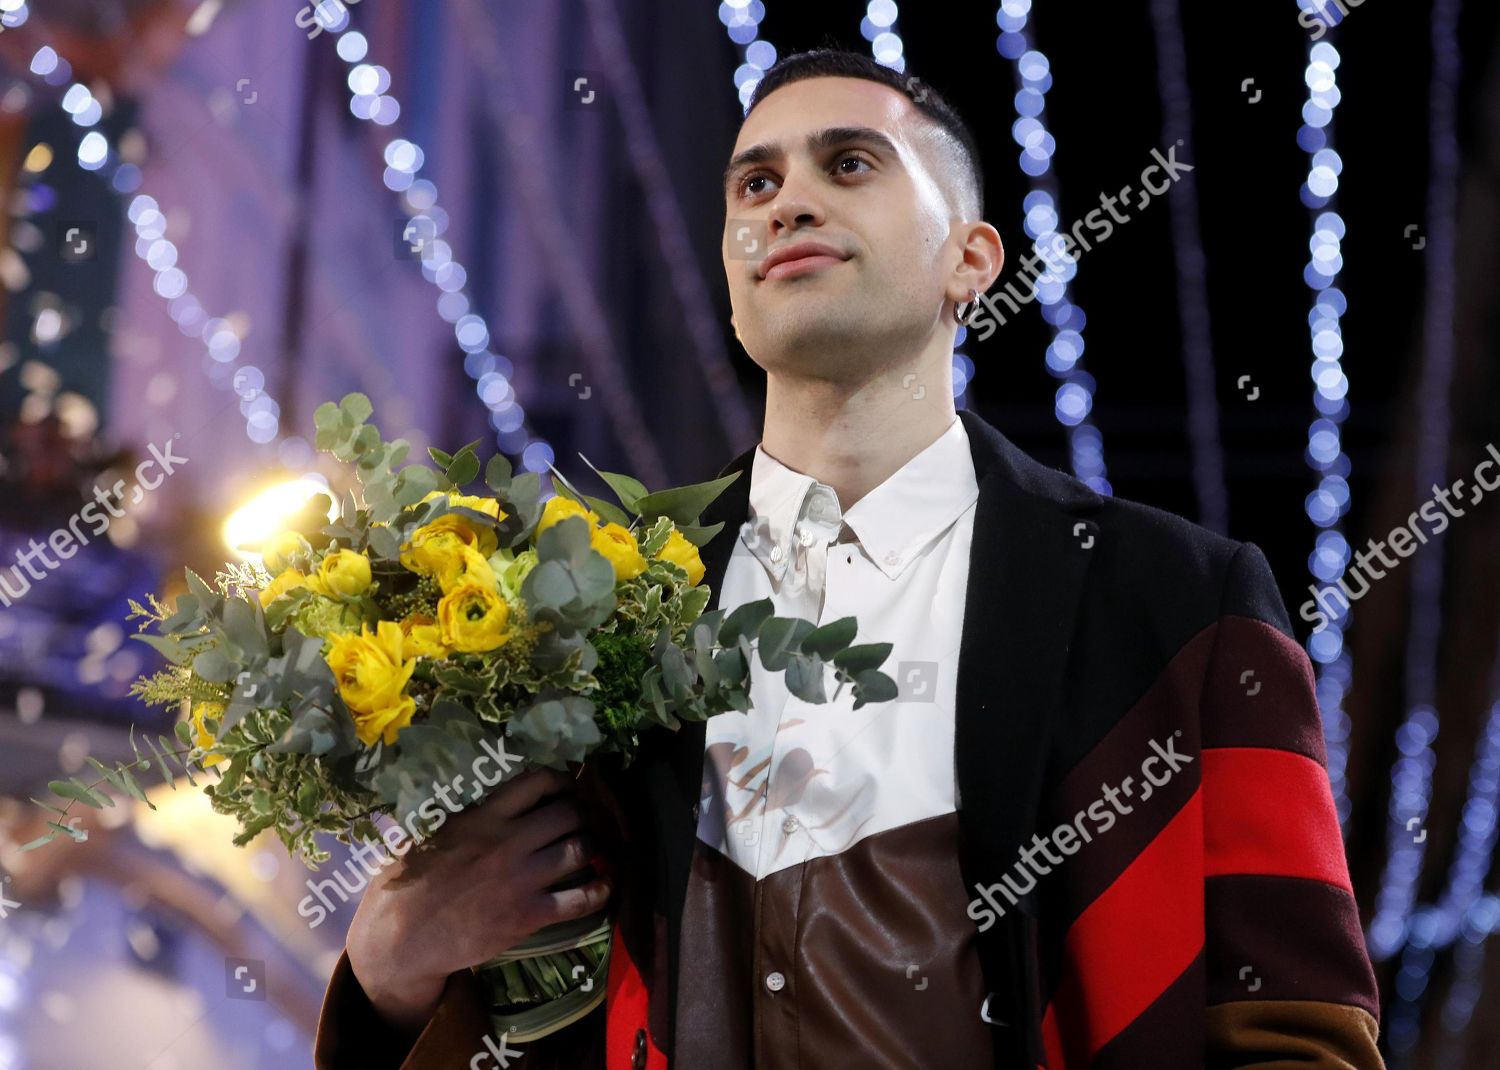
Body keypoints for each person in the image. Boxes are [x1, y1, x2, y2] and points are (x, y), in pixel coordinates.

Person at [315, 48, 1384, 1070]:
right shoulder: (569, 619)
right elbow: (514, 1008)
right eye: (754, 183)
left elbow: (1298, 1030)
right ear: (734, 291)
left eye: (851, 163)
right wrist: (389, 973)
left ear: (971, 257)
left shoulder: (1182, 607)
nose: (786, 201)